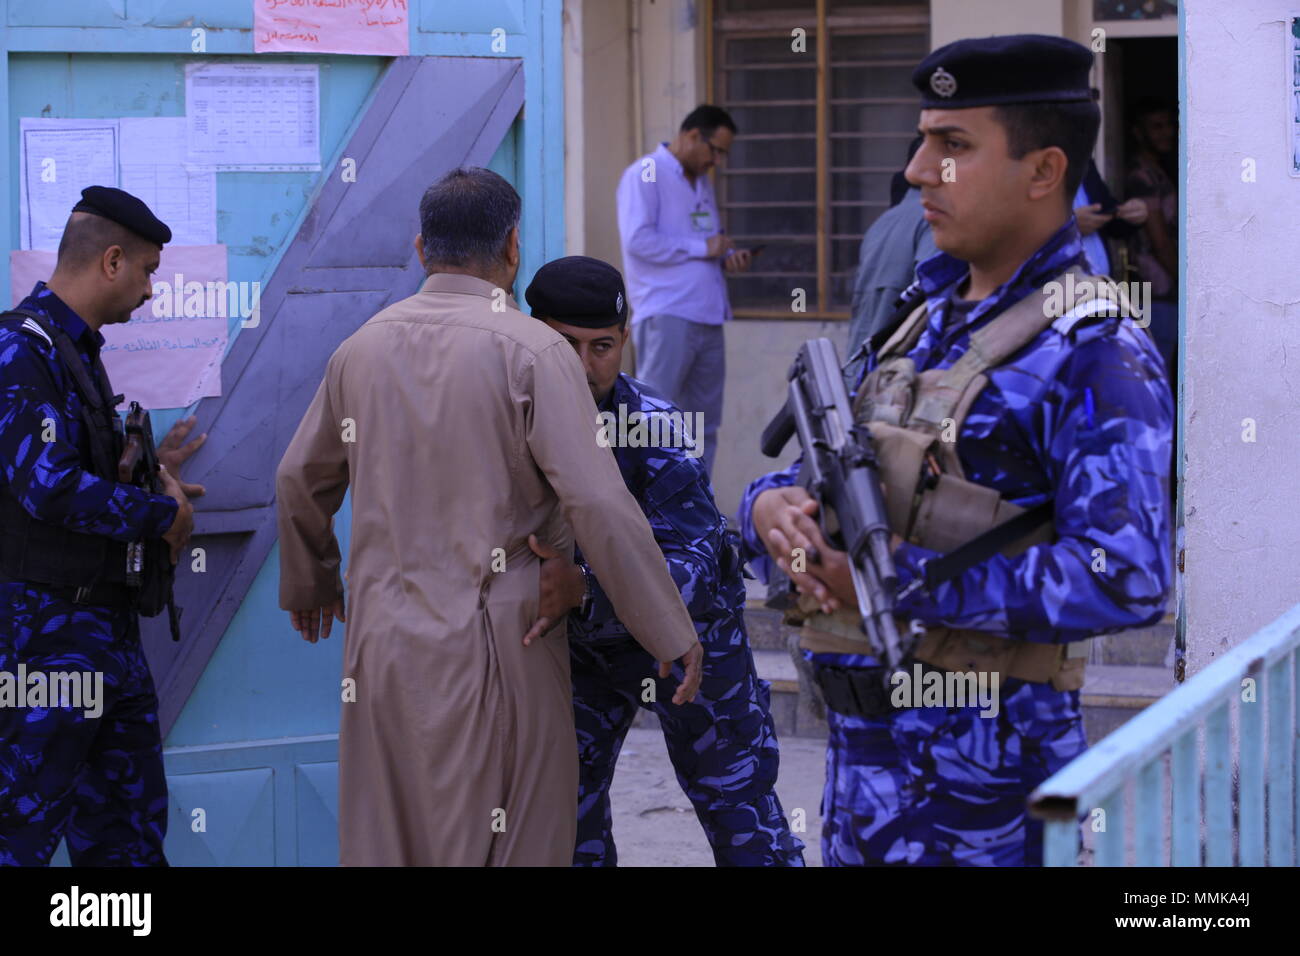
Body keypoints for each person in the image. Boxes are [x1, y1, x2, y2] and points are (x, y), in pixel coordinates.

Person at [740, 35, 1173, 866]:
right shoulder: (923, 318)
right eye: (924, 139)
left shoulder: (1095, 347)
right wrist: (768, 507)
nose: (916, 170)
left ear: (1045, 171)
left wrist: (897, 581)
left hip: (990, 794)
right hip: (864, 776)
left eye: (954, 146)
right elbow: (821, 478)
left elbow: (1129, 578)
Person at [275, 168, 703, 867]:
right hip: (497, 642)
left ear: (421, 248)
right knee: (515, 842)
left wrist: (312, 582)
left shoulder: (361, 348)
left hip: (381, 648)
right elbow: (596, 500)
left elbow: (299, 477)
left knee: (389, 842)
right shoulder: (531, 351)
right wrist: (664, 626)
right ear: (512, 248)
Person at [522, 255, 805, 867]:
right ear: (533, 336)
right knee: (563, 816)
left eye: (602, 346)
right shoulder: (508, 424)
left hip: (689, 642)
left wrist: (585, 589)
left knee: (740, 809)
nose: (584, 365)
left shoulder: (654, 428)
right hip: (584, 651)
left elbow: (694, 564)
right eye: (563, 344)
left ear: (625, 340)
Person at [0, 186, 204, 866]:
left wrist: (145, 471)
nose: (150, 291)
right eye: (147, 270)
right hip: (46, 647)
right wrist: (162, 515)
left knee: (126, 838)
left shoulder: (75, 351)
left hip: (105, 636)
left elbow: (70, 470)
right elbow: (48, 488)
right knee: (21, 836)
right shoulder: (19, 350)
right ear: (111, 261)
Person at [616, 104, 752, 477]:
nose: (718, 161)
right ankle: (647, 517)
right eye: (716, 150)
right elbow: (638, 240)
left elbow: (701, 245)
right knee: (654, 420)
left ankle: (697, 515)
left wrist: (725, 257)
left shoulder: (701, 183)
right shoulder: (646, 173)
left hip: (708, 314)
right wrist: (702, 248)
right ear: (693, 136)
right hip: (668, 313)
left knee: (703, 426)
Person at [845, 135, 939, 385]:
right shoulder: (935, 221)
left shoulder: (882, 222)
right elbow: (928, 299)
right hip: (893, 379)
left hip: (858, 371)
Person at [1125, 97, 1179, 390]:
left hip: (1160, 295)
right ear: (1138, 132)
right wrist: (1183, 284)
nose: (1166, 132)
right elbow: (1160, 241)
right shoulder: (1142, 176)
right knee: (1156, 383)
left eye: (1168, 125)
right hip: (1154, 294)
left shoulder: (1156, 173)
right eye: (1156, 127)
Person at [1074, 157, 1147, 278]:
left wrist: (1134, 213)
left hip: (1102, 287)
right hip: (1057, 291)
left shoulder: (1083, 161)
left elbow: (1110, 218)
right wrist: (1067, 227)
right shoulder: (1033, 163)